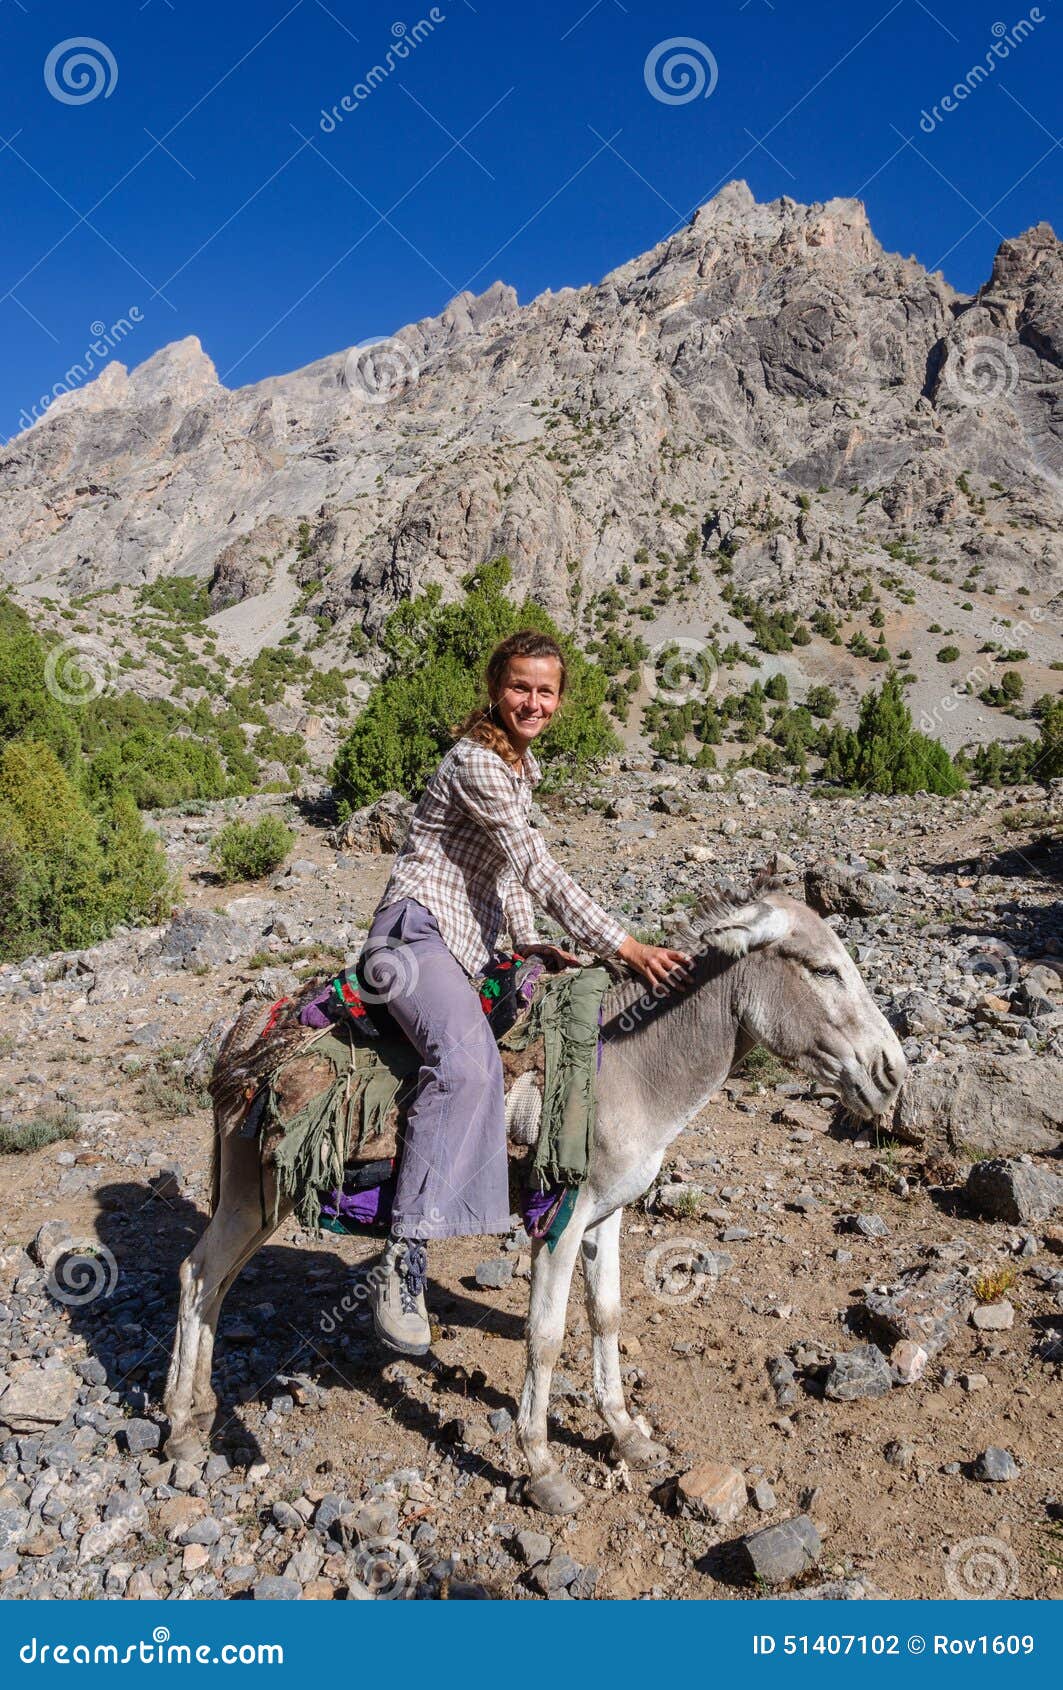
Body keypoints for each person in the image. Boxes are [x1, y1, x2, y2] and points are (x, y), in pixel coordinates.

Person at [357, 629, 694, 1355]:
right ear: (494, 688)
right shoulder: (477, 761)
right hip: (415, 935)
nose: (531, 701)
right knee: (468, 1064)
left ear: (560, 699)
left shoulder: (518, 767)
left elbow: (505, 879)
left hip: (466, 943)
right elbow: (536, 867)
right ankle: (404, 1256)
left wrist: (525, 943)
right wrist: (623, 945)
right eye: (519, 687)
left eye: (545, 690)